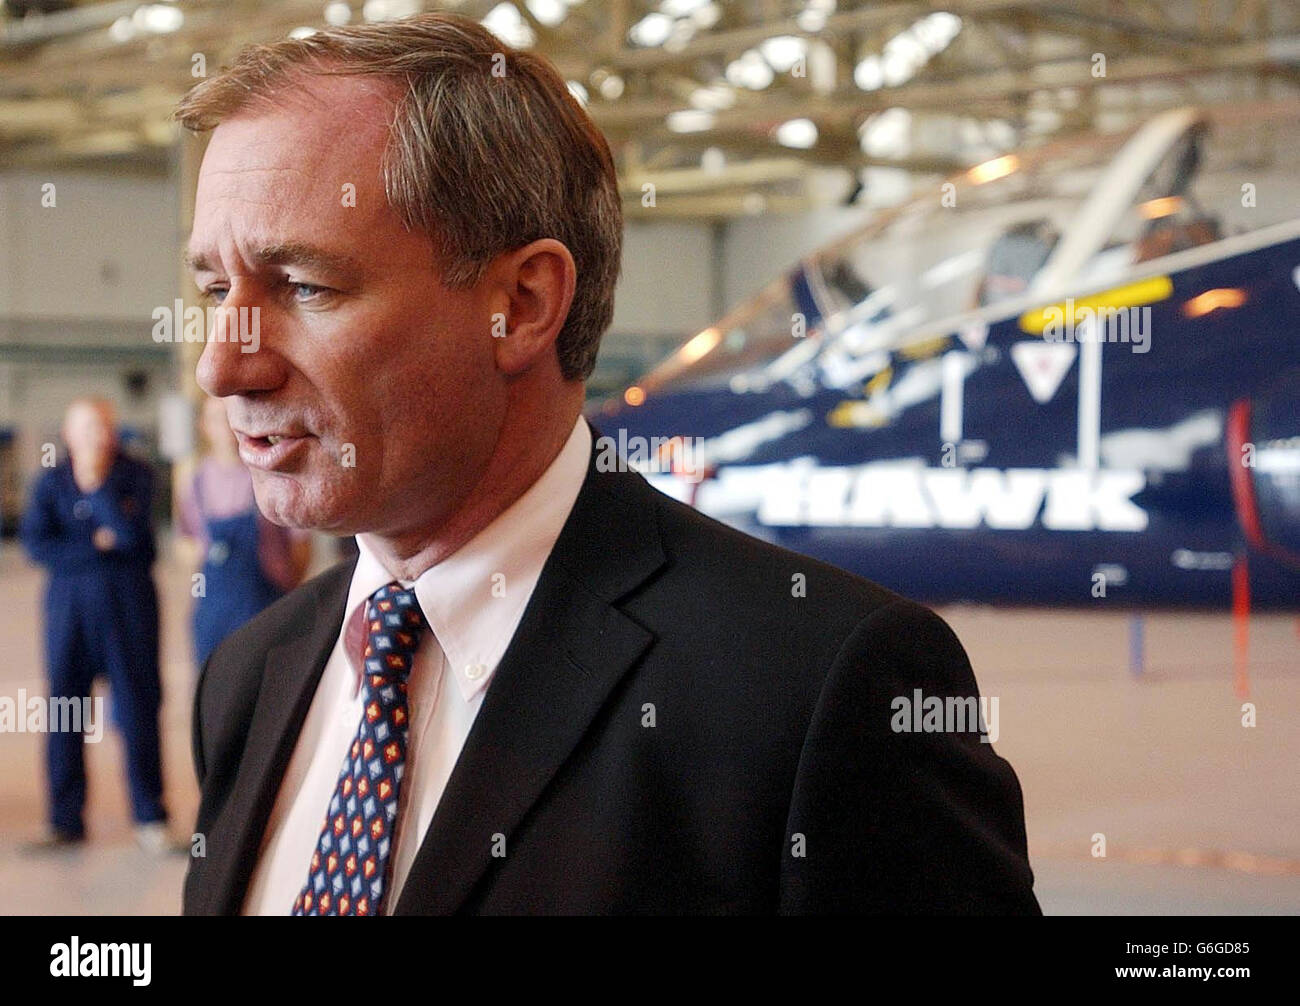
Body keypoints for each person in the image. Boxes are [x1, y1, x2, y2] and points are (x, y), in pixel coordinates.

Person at [178, 13, 1040, 915]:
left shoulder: (818, 693)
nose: (222, 363)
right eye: (212, 290)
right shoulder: (251, 676)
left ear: (522, 302)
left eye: (305, 287)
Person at [19, 397, 172, 854]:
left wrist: (98, 491)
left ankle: (151, 816)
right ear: (68, 434)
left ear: (113, 431)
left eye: (102, 427)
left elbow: (132, 539)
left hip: (129, 612)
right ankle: (65, 820)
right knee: (65, 712)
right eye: (85, 428)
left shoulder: (137, 476)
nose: (95, 437)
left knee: (138, 710)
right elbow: (36, 546)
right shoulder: (50, 482)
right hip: (68, 615)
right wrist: (98, 544)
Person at [177, 395, 312, 669]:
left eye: (230, 415)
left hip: (266, 607)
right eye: (216, 418)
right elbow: (188, 547)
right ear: (204, 426)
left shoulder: (272, 475)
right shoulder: (196, 483)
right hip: (212, 614)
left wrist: (285, 588)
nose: (224, 426)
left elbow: (301, 545)